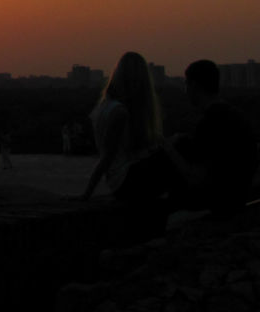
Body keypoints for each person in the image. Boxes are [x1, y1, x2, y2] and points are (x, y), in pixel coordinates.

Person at [162, 59, 258, 216]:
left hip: (219, 201)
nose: (185, 91)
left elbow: (198, 178)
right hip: (240, 195)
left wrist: (169, 149)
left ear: (194, 86)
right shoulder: (235, 115)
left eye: (186, 85)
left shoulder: (209, 123)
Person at [81, 51, 164, 202]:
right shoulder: (119, 112)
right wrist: (87, 193)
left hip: (121, 180)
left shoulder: (106, 106)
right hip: (125, 180)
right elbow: (107, 156)